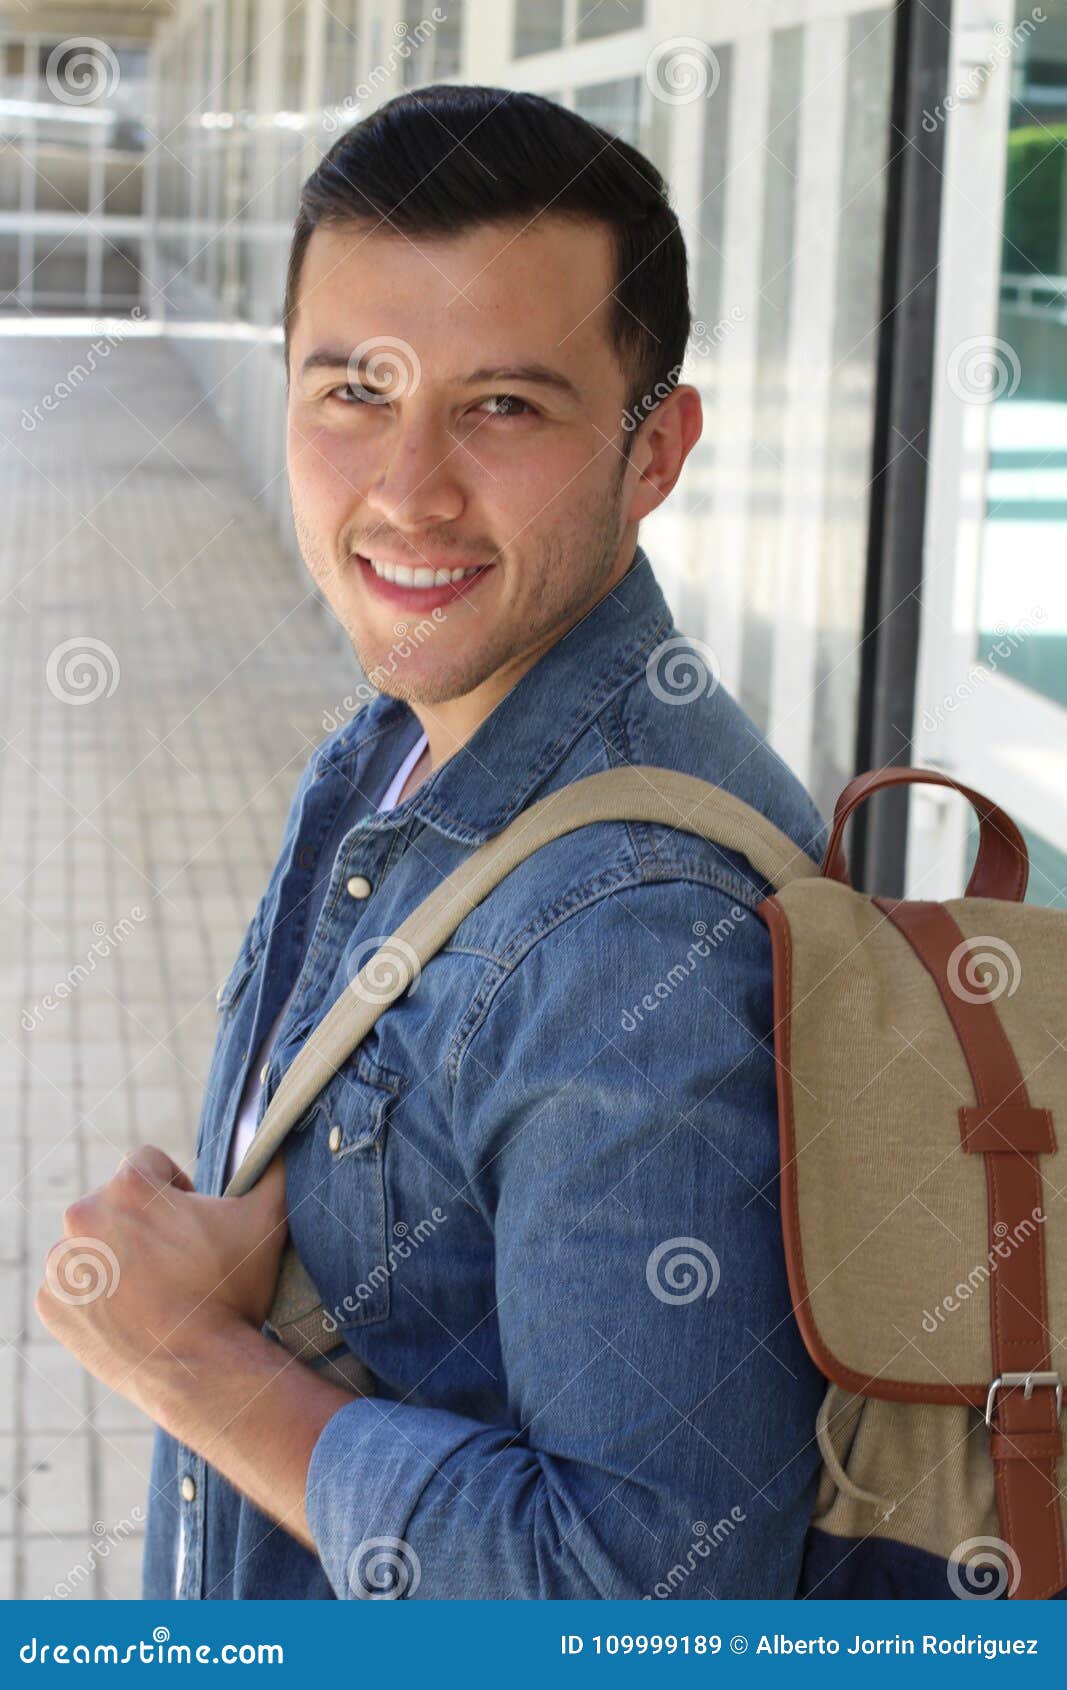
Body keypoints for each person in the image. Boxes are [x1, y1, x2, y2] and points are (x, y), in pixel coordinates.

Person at [37, 84, 830, 1600]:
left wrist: (189, 1358)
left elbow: (644, 1599)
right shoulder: (408, 737)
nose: (408, 490)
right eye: (353, 391)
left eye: (504, 406)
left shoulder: (631, 929)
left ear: (656, 452)